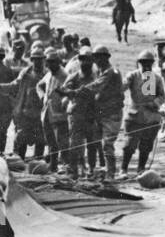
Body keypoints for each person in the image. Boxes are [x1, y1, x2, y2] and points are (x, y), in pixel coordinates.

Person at [0, 42, 47, 160]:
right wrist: (0, 86)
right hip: (25, 112)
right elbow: (14, 85)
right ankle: (19, 160)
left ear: (43, 59)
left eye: (40, 59)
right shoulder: (25, 72)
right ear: (31, 59)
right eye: (35, 59)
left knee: (40, 140)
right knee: (21, 140)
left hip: (40, 113)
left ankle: (37, 162)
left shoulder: (46, 74)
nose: (37, 61)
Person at [120, 49, 165, 174]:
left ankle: (141, 169)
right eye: (143, 63)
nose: (146, 65)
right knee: (129, 145)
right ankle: (123, 169)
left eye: (149, 63)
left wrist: (154, 103)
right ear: (139, 63)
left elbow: (162, 96)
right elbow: (122, 86)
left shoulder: (156, 78)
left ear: (152, 64)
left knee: (146, 146)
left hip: (151, 118)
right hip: (134, 117)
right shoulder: (133, 75)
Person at [61, 47, 98, 177]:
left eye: (88, 60)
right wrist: (72, 93)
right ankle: (73, 170)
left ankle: (91, 169)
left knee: (92, 144)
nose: (85, 63)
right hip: (77, 115)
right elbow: (63, 91)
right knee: (75, 144)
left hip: (91, 115)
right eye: (82, 59)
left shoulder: (96, 77)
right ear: (79, 61)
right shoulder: (74, 77)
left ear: (92, 61)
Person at [91, 46, 124, 181]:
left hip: (112, 114)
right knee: (96, 142)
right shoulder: (100, 71)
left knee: (107, 144)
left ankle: (111, 173)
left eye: (100, 57)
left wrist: (77, 92)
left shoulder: (111, 72)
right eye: (96, 57)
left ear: (107, 57)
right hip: (101, 113)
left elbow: (96, 86)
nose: (97, 60)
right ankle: (103, 170)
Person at [38, 48, 71, 170]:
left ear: (58, 62)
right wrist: (42, 96)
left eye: (53, 62)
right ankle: (53, 166)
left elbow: (69, 92)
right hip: (47, 113)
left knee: (62, 142)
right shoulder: (48, 74)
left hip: (60, 114)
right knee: (51, 142)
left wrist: (63, 99)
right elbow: (39, 85)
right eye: (48, 62)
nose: (50, 64)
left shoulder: (64, 75)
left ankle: (67, 167)